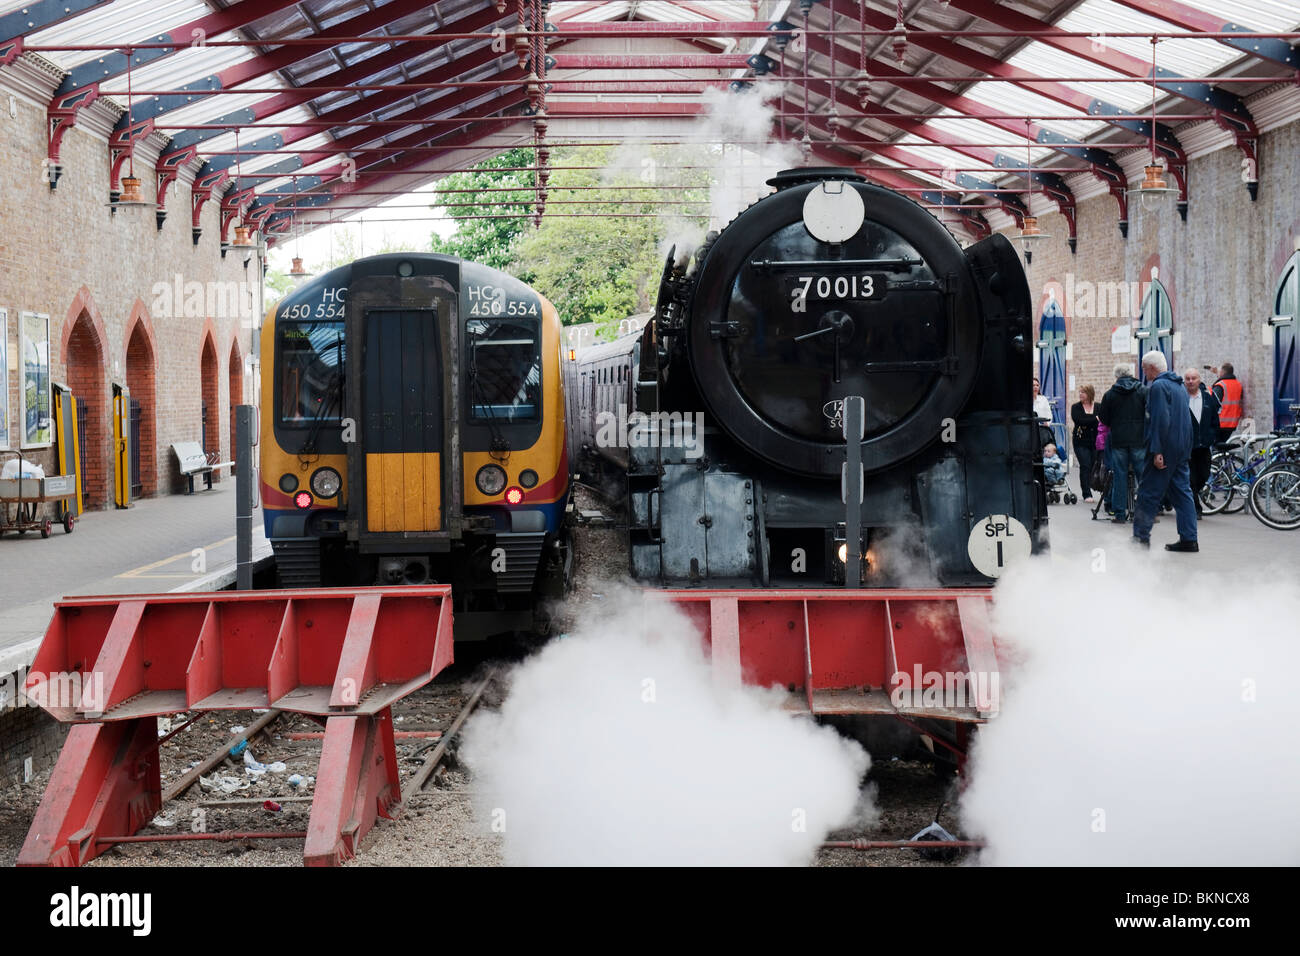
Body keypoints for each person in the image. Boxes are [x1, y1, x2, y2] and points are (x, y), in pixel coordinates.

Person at [1132, 351, 1197, 551]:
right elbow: (1186, 421)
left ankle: (1140, 538)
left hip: (1165, 448)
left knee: (1148, 492)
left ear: (1151, 367)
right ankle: (1189, 539)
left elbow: (1160, 419)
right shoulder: (1179, 387)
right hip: (1180, 448)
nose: (1143, 372)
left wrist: (1157, 450)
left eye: (1144, 368)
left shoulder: (1159, 386)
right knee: (1182, 493)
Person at [1097, 364, 1145, 523]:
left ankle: (1119, 514)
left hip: (1118, 440)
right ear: (1131, 374)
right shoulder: (1143, 390)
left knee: (1119, 476)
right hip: (1139, 439)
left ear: (1116, 376)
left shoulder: (1110, 394)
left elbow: (1103, 418)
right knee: (1143, 476)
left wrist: (1116, 424)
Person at [1184, 367, 1221, 517]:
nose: (1191, 381)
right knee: (1191, 479)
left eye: (1194, 378)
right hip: (1187, 447)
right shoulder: (1181, 399)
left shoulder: (1207, 398)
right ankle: (1195, 509)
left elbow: (1215, 421)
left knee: (1204, 476)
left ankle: (1175, 497)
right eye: (1188, 379)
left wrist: (1211, 436)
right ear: (1184, 381)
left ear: (1199, 380)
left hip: (1204, 446)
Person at [1070, 385, 1099, 503]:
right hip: (1080, 441)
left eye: (1083, 392)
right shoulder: (1076, 407)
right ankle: (1086, 493)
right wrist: (1095, 419)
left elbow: (1101, 420)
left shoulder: (1098, 406)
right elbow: (1079, 421)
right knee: (1085, 465)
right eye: (1080, 392)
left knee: (1093, 465)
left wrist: (1090, 421)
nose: (1081, 394)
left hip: (1096, 441)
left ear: (1090, 393)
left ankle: (1095, 486)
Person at [1209, 361, 1242, 443]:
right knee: (1222, 446)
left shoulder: (1220, 386)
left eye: (1219, 371)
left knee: (1215, 448)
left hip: (1220, 423)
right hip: (1232, 424)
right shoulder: (1238, 385)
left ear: (1223, 372)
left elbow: (1213, 405)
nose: (1218, 373)